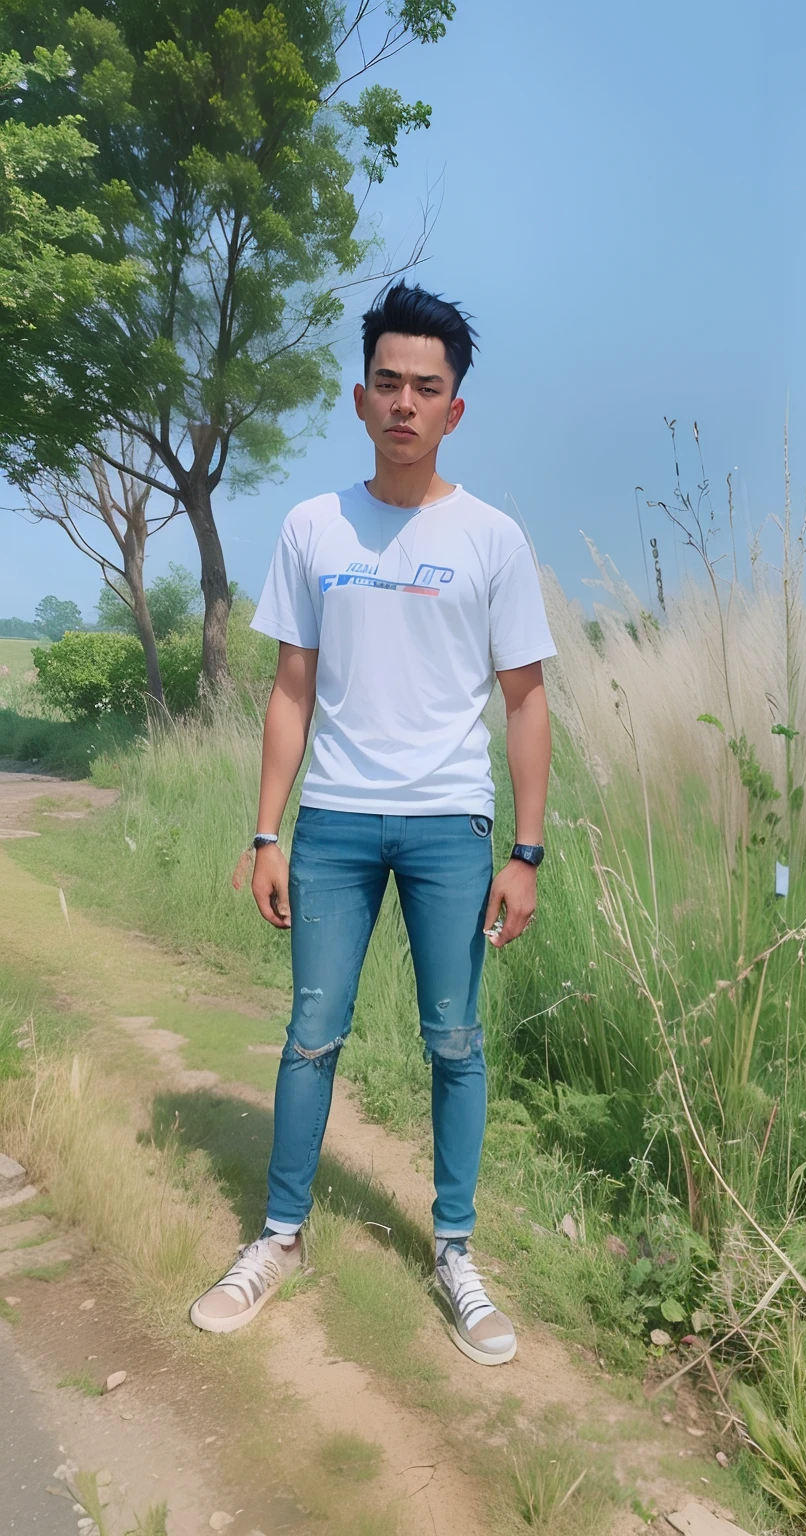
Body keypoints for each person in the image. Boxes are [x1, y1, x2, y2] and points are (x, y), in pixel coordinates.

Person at [190, 281, 555, 1365]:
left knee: (454, 1038)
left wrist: (525, 851)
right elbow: (291, 690)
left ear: (455, 410)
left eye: (427, 388)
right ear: (360, 398)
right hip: (336, 824)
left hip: (452, 822)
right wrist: (266, 831)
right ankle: (279, 1237)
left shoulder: (491, 538)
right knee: (312, 1032)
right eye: (388, 382)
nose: (405, 403)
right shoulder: (313, 526)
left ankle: (453, 1249)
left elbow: (526, 701)